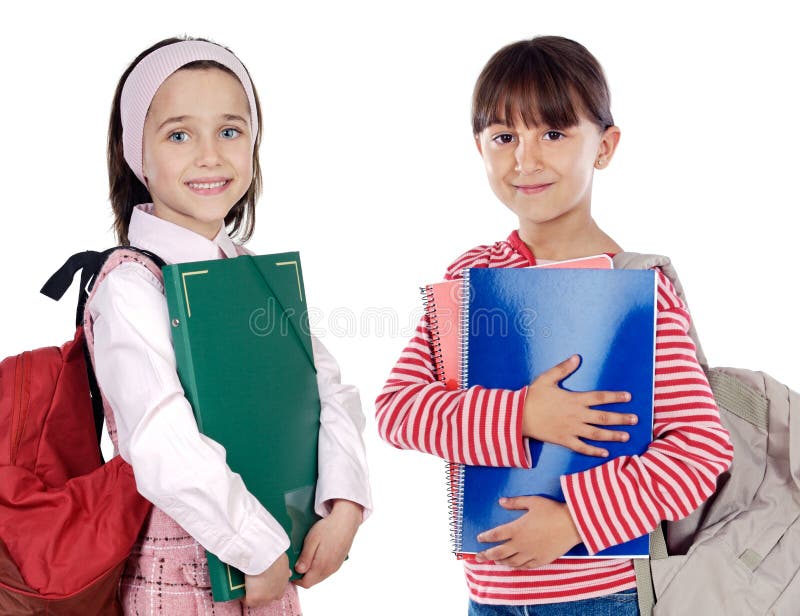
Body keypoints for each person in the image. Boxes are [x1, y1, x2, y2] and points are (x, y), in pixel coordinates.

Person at [375, 35, 733, 615]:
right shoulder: (471, 277)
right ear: (480, 147)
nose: (526, 159)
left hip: (603, 599)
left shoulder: (637, 285)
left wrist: (573, 520)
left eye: (554, 133)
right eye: (505, 137)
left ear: (605, 146)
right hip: (486, 599)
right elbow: (399, 410)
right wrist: (522, 415)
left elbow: (699, 452)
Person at [89, 36, 372, 614]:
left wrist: (345, 504)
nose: (209, 156)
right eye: (178, 134)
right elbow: (161, 436)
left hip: (273, 571)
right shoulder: (129, 284)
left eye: (230, 130)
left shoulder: (255, 274)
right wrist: (255, 545)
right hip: (179, 581)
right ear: (133, 151)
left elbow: (327, 390)